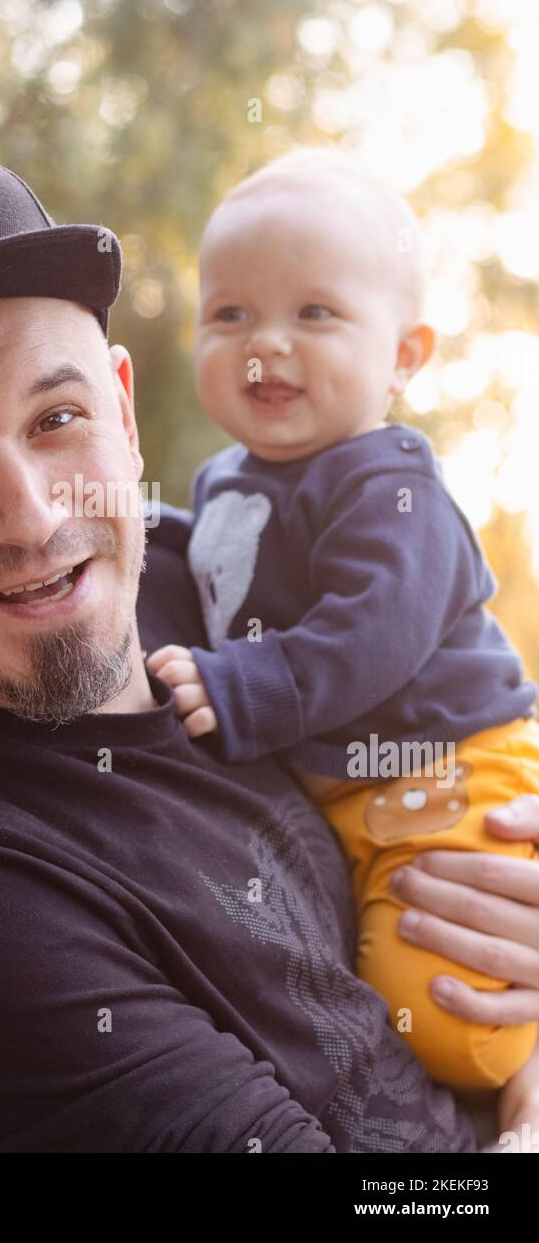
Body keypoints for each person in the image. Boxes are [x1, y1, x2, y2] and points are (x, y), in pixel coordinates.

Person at [0, 158, 539, 1152]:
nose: (34, 519)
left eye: (56, 419)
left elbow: (463, 698)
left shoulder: (205, 566)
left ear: (122, 415)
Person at [146, 146, 539, 1093]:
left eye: (313, 313)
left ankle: (512, 1093)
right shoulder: (226, 481)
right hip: (349, 794)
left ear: (404, 356)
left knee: (451, 1023)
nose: (265, 343)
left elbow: (374, 635)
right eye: (229, 313)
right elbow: (218, 573)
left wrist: (248, 685)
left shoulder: (391, 485)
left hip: (447, 771)